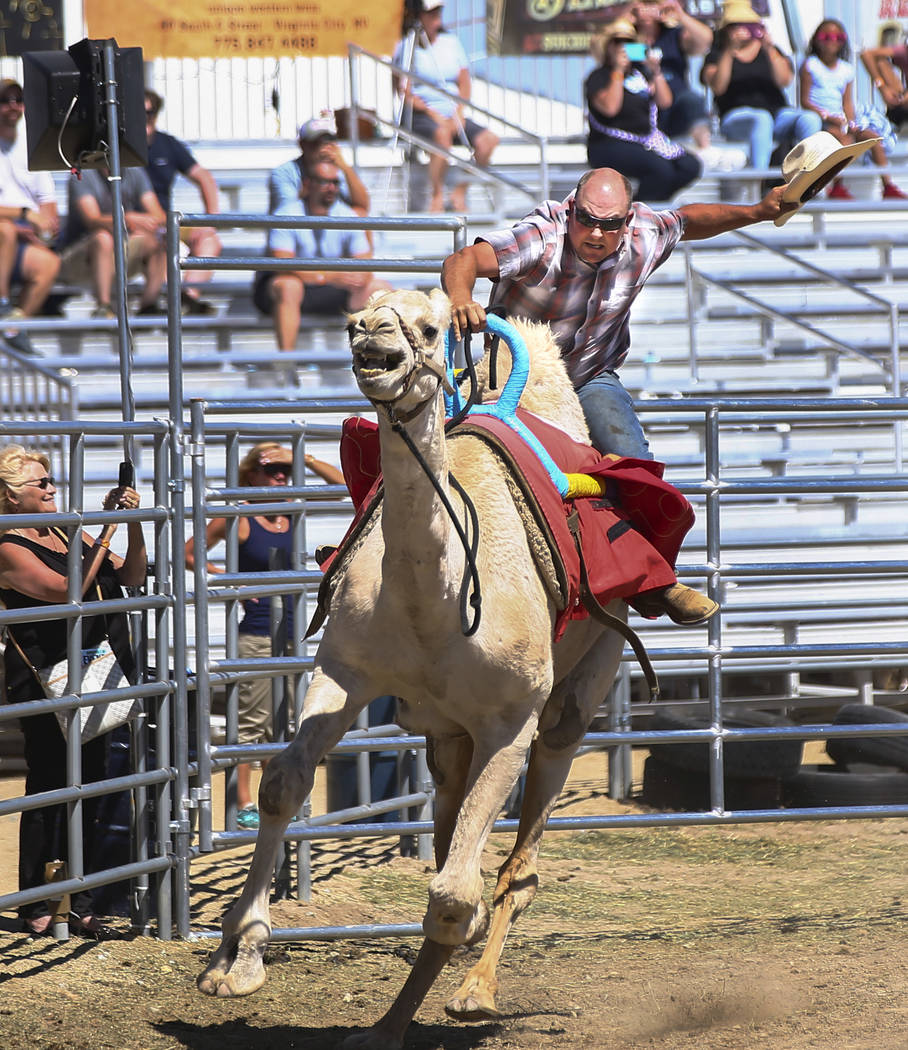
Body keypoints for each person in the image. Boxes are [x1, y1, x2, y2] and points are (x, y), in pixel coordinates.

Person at [441, 167, 797, 624]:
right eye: (586, 219)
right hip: (513, 379)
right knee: (443, 449)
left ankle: (656, 581)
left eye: (609, 224)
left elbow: (688, 221)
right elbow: (465, 260)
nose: (595, 233)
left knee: (634, 464)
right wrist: (459, 297)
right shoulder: (541, 239)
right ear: (570, 210)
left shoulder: (645, 235)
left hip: (588, 376)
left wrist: (757, 211)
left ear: (627, 222)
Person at [0, 444, 146, 937]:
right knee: (49, 788)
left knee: (96, 784)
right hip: (45, 680)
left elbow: (130, 574)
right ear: (9, 495)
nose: (50, 487)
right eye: (39, 483)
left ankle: (83, 900)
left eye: (49, 479)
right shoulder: (7, 546)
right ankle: (37, 903)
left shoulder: (65, 527)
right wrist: (105, 528)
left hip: (94, 672)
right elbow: (69, 592)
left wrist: (131, 521)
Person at [183, 442, 344, 829]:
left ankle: (270, 796)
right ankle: (243, 806)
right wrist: (231, 581)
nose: (280, 477)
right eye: (271, 470)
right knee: (252, 726)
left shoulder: (292, 511)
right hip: (255, 635)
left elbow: (343, 487)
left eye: (285, 472)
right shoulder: (241, 516)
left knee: (284, 723)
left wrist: (301, 457)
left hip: (291, 633)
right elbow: (190, 552)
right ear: (250, 476)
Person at [253, 159, 391, 360]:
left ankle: (374, 360)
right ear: (307, 185)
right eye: (325, 182)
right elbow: (282, 264)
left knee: (378, 288)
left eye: (336, 183)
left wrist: (355, 278)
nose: (331, 188)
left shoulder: (347, 215)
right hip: (287, 289)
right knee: (288, 285)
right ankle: (286, 365)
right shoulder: (287, 214)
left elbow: (365, 265)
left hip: (327, 289)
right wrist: (328, 276)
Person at [392, 0, 499, 213]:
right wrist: (434, 115)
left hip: (452, 114)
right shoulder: (407, 46)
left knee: (488, 140)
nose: (437, 16)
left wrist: (458, 113)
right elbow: (404, 91)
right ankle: (437, 195)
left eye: (438, 11)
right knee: (442, 135)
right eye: (431, 12)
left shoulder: (452, 43)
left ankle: (459, 192)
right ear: (418, 15)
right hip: (422, 115)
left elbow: (464, 82)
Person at [586, 17, 702, 201]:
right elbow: (610, 108)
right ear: (608, 46)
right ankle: (643, 209)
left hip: (644, 142)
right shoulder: (599, 76)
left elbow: (665, 102)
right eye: (618, 42)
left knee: (690, 165)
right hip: (609, 144)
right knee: (659, 169)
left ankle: (649, 203)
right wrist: (617, 70)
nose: (623, 47)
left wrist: (656, 71)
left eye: (629, 42)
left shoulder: (641, 76)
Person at [701, 1, 822, 171]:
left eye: (751, 25)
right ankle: (759, 179)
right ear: (727, 29)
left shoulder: (770, 51)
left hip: (777, 115)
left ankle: (809, 178)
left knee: (810, 119)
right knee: (761, 118)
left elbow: (784, 80)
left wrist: (769, 48)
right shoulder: (717, 54)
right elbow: (718, 87)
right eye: (738, 25)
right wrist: (729, 50)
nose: (745, 30)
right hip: (735, 118)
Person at [800, 20, 905, 201]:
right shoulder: (810, 65)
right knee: (843, 141)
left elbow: (847, 102)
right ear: (817, 40)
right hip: (822, 119)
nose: (832, 41)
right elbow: (805, 101)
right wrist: (828, 116)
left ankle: (888, 185)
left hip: (842, 119)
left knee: (872, 137)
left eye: (838, 37)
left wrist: (851, 122)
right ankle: (836, 186)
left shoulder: (846, 69)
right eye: (826, 37)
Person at [144, 89, 222, 314]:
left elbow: (204, 178)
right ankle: (174, 297)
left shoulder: (167, 144)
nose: (144, 117)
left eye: (149, 112)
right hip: (135, 224)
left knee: (209, 239)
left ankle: (188, 296)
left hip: (162, 221)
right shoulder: (120, 147)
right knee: (163, 243)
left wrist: (211, 219)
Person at [0, 77, 61, 354]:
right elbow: (29, 213)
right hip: (6, 233)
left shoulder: (33, 147)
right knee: (6, 231)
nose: (13, 107)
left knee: (48, 262)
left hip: (23, 240)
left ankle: (13, 328)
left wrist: (44, 231)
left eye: (18, 100)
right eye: (5, 101)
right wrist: (23, 215)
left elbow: (48, 206)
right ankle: (2, 305)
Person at [58, 165, 167, 318]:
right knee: (103, 238)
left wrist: (145, 223)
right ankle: (104, 306)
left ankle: (148, 305)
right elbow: (92, 219)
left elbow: (159, 216)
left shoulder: (134, 172)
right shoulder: (83, 174)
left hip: (120, 250)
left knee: (157, 241)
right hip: (79, 255)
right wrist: (127, 218)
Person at [630, 1, 716, 153]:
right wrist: (629, 14)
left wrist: (680, 15)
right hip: (641, 102)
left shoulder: (672, 35)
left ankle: (705, 148)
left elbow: (706, 41)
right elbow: (603, 45)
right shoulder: (626, 37)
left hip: (676, 102)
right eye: (643, 5)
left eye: (651, 4)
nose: (646, 10)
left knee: (693, 100)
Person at [268, 114, 371, 217]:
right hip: (298, 228)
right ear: (303, 145)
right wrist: (313, 186)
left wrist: (344, 167)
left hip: (329, 225)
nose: (323, 148)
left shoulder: (336, 171)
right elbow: (287, 213)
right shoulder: (284, 172)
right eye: (316, 143)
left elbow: (363, 205)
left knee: (360, 215)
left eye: (328, 141)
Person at [860, 33, 908, 133]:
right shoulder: (903, 51)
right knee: (881, 61)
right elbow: (866, 54)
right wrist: (882, 87)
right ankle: (897, 118)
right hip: (901, 103)